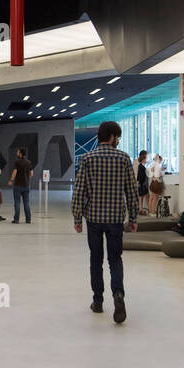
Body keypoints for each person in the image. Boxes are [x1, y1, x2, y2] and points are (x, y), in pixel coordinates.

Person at [71, 121, 138, 323]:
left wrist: (77, 218)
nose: (118, 140)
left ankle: (98, 301)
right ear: (111, 136)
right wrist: (133, 218)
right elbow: (132, 192)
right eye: (117, 136)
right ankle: (118, 294)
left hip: (94, 219)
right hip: (116, 219)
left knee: (96, 259)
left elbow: (79, 190)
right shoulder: (124, 158)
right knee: (115, 259)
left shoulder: (87, 158)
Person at [9, 147, 34, 223]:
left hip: (18, 185)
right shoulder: (29, 162)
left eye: (18, 152)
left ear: (20, 153)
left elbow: (14, 172)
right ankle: (28, 219)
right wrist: (26, 178)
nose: (17, 153)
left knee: (17, 202)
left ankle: (16, 219)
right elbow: (31, 174)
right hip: (26, 186)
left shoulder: (17, 162)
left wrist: (11, 180)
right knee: (26, 203)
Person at [136, 150, 149, 215]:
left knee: (142, 197)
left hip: (142, 184)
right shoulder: (141, 166)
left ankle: (141, 209)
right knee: (142, 197)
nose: (148, 158)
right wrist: (140, 184)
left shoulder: (142, 166)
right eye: (147, 157)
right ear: (144, 157)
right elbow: (140, 177)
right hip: (142, 184)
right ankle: (142, 210)